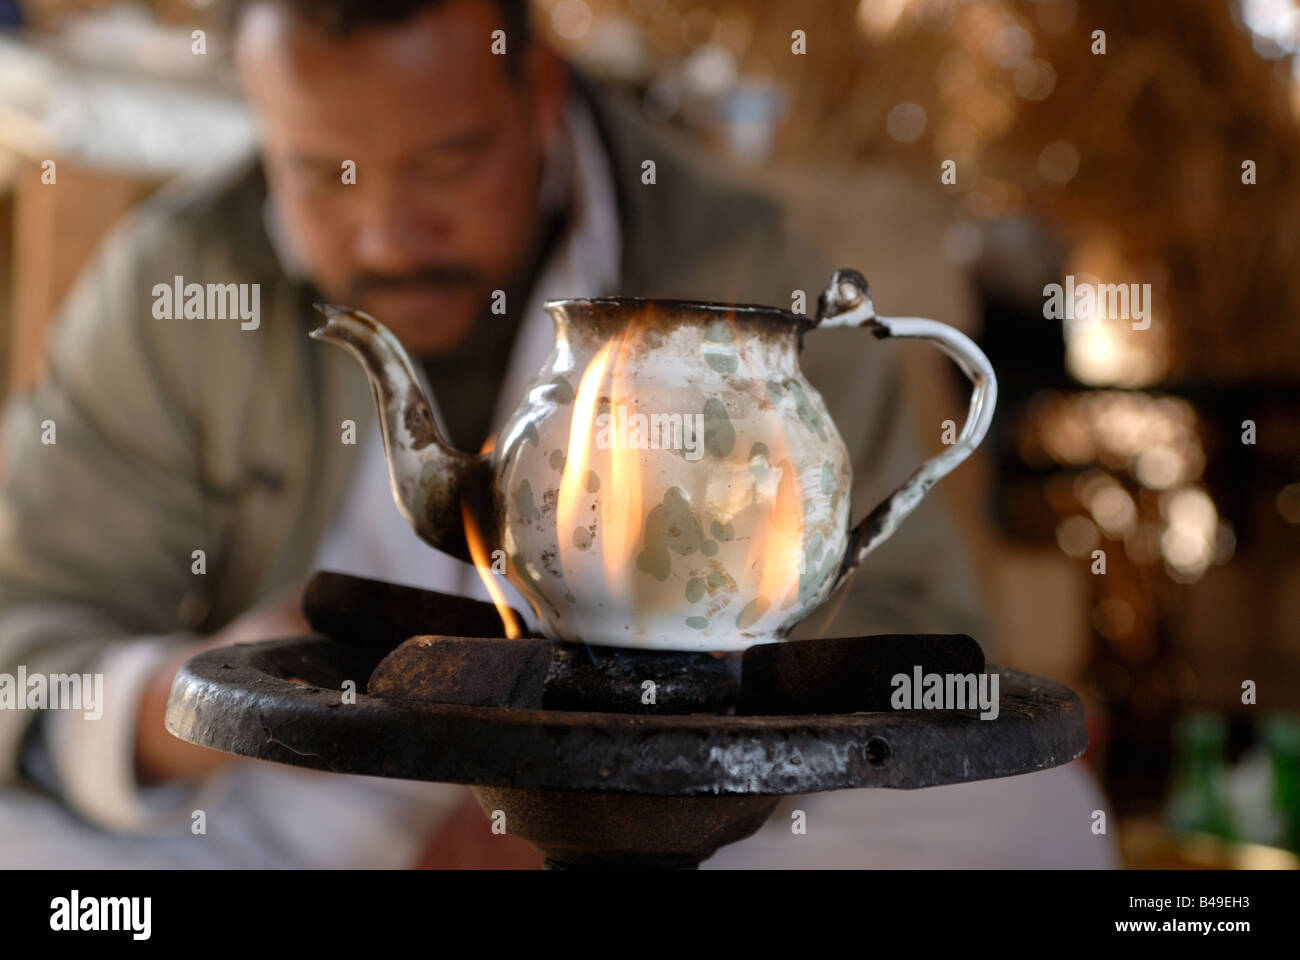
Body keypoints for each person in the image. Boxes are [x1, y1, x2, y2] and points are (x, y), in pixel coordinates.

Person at [0, 0, 1113, 868]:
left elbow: (913, 639)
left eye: (445, 164)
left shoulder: (740, 269)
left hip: (692, 816)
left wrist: (571, 809)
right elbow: (25, 631)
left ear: (536, 93)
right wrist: (176, 701)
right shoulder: (177, 285)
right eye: (321, 176)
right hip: (298, 814)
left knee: (1037, 829)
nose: (390, 233)